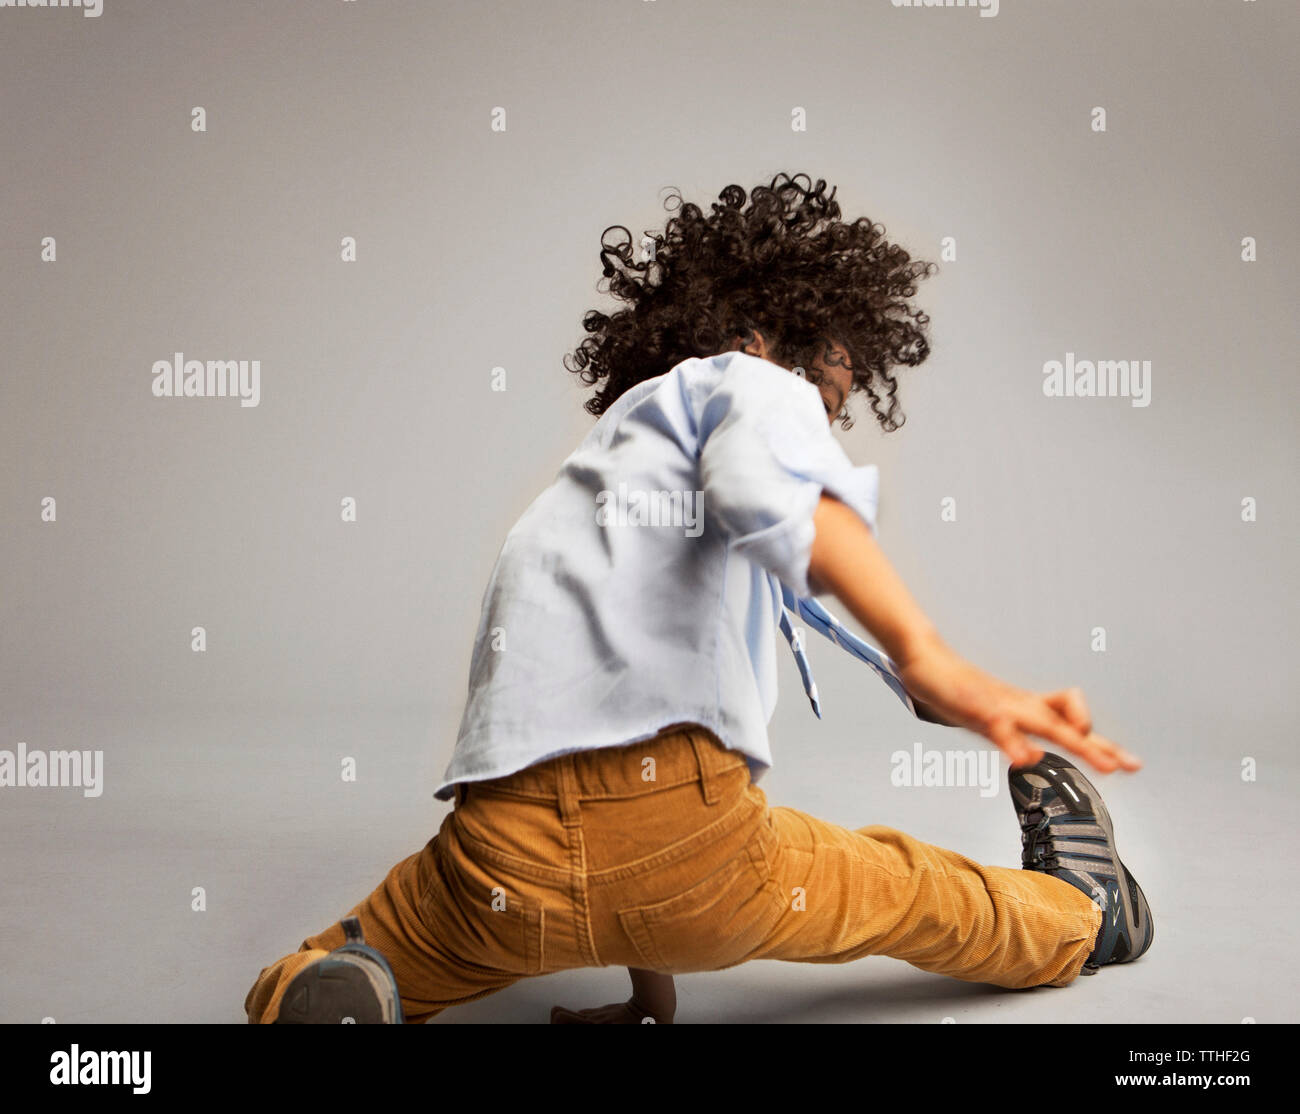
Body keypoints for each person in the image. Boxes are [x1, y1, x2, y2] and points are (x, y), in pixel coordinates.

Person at [243, 172, 1152, 1026]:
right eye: (832, 379)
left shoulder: (587, 485)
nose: (830, 409)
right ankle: (1085, 914)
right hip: (698, 869)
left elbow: (598, 734)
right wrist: (926, 655)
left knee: (344, 959)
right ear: (756, 334)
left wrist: (647, 990)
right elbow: (774, 489)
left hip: (500, 876)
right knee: (904, 889)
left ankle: (328, 993)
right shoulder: (750, 381)